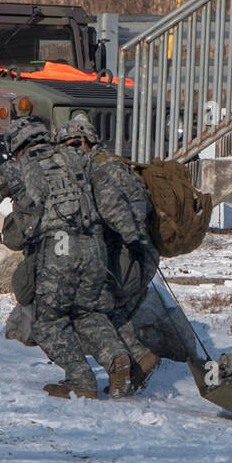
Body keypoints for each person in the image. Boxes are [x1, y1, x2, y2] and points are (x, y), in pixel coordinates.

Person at [0, 117, 134, 400]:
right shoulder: (77, 158)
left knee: (48, 320)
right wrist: (131, 232)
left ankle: (81, 380)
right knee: (88, 311)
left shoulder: (18, 168)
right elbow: (110, 192)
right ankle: (118, 360)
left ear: (17, 147)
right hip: (94, 246)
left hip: (58, 249)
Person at [56, 114, 162, 393]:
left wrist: (131, 238)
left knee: (87, 308)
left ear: (88, 142)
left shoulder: (99, 170)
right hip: (139, 253)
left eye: (75, 144)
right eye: (65, 146)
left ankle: (124, 364)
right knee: (108, 309)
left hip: (129, 254)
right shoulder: (116, 164)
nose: (72, 151)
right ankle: (140, 359)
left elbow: (113, 208)